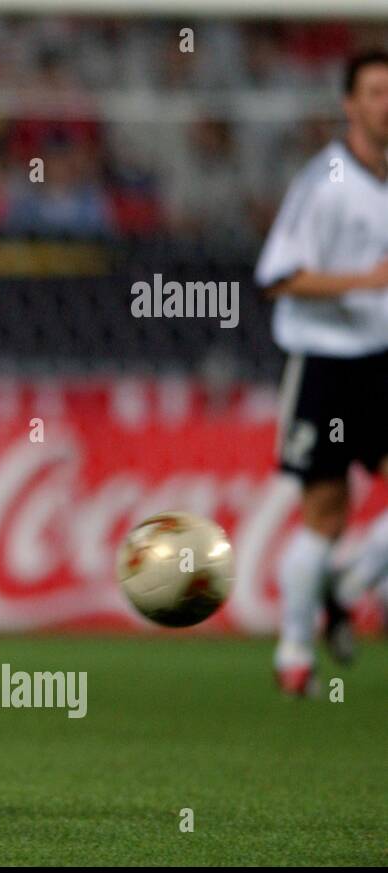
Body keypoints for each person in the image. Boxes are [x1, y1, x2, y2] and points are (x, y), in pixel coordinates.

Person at [255, 50, 388, 697]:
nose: (386, 103)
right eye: (376, 91)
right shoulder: (325, 181)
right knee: (325, 514)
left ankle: (353, 580)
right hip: (328, 364)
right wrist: (363, 281)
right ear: (350, 104)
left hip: (383, 359)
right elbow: (278, 277)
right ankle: (295, 654)